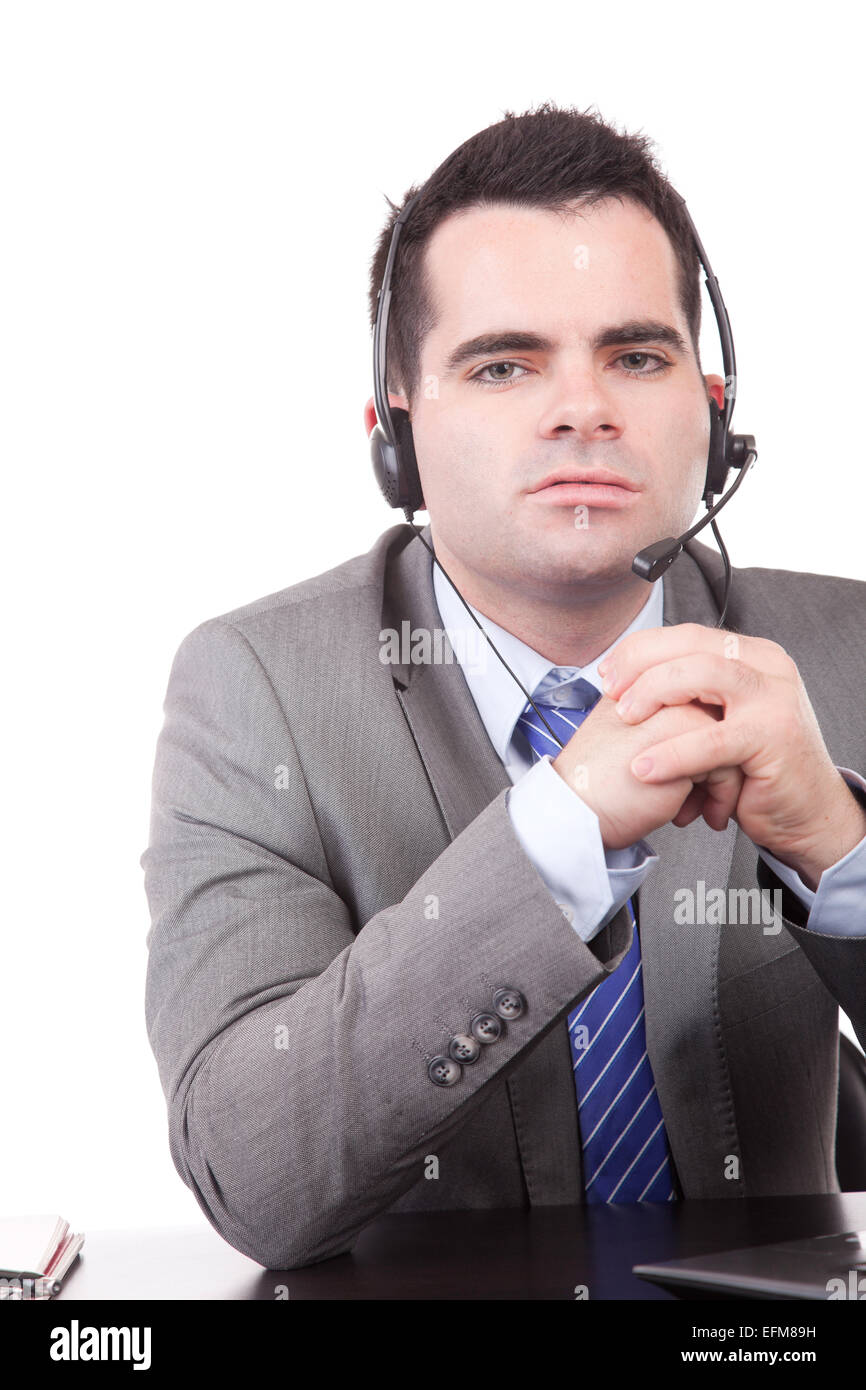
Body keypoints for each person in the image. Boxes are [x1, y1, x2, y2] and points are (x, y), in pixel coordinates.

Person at [142, 103, 866, 1271]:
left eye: (635, 356)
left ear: (714, 409)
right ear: (395, 427)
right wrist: (556, 838)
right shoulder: (254, 689)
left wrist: (842, 858)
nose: (582, 407)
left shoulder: (847, 646)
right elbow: (251, 1168)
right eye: (502, 364)